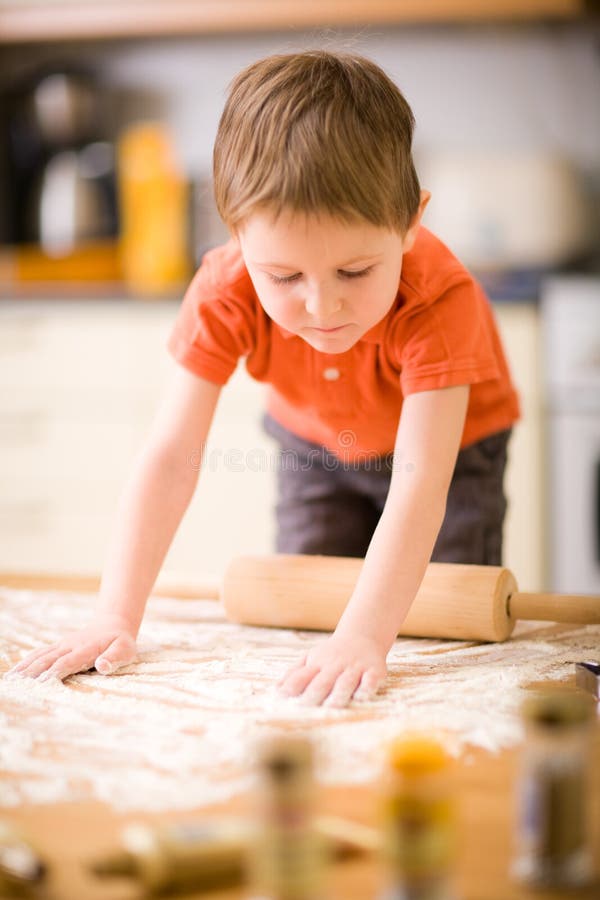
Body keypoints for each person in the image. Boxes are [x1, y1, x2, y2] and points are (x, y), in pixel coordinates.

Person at [8, 51, 520, 707]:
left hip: (454, 456)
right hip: (312, 445)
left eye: (356, 272)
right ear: (236, 237)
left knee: (446, 633)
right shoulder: (224, 290)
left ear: (412, 221)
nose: (322, 305)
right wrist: (114, 615)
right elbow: (170, 457)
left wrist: (365, 636)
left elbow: (420, 486)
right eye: (283, 276)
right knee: (304, 627)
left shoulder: (438, 301)